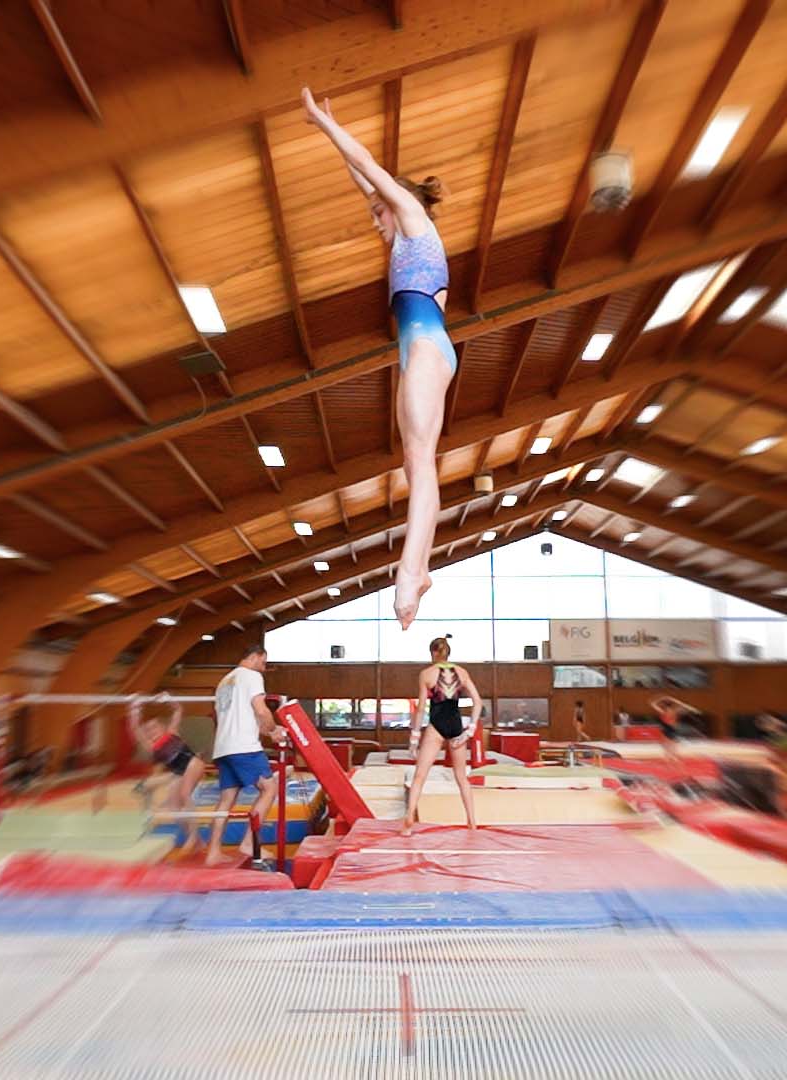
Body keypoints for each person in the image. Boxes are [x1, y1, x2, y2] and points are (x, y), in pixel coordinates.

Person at [303, 85, 452, 630]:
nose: (374, 220)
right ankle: (418, 566)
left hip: (427, 347)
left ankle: (412, 572)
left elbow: (370, 167)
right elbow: (362, 176)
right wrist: (339, 147)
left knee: (422, 460)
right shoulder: (404, 241)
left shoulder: (414, 219)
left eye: (376, 212)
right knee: (414, 463)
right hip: (420, 347)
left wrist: (324, 125)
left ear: (397, 204)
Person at [207, 645, 285, 866]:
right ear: (254, 657)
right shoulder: (251, 676)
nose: (264, 667)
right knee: (269, 789)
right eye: (263, 662)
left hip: (223, 747)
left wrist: (267, 733)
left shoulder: (225, 681)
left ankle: (213, 852)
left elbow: (242, 719)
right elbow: (261, 710)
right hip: (244, 747)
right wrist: (274, 730)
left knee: (226, 800)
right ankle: (250, 842)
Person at [402, 636, 480, 835]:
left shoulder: (426, 674)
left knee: (420, 775)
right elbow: (478, 702)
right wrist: (470, 731)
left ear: (432, 653)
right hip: (456, 725)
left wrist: (414, 738)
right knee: (462, 777)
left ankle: (409, 818)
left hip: (436, 725)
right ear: (448, 653)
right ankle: (472, 822)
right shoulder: (462, 673)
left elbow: (421, 708)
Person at [128, 698, 207, 814]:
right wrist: (134, 709)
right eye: (147, 730)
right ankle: (147, 791)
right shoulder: (150, 746)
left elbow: (178, 710)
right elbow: (135, 728)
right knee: (174, 805)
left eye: (154, 727)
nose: (151, 731)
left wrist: (169, 699)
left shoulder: (171, 732)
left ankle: (192, 829)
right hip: (180, 773)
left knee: (184, 795)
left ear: (162, 727)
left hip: (193, 768)